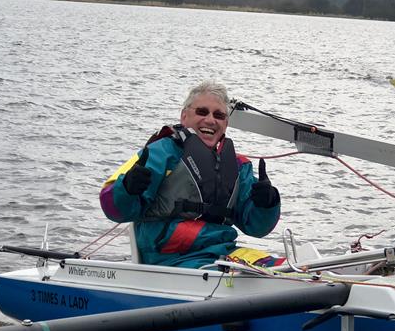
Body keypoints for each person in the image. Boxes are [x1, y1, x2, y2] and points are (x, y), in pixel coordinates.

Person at [99, 81, 281, 268]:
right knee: (238, 277)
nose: (210, 120)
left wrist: (267, 203)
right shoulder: (159, 153)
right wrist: (128, 188)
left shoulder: (239, 166)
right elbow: (111, 207)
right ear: (184, 116)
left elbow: (257, 227)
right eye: (202, 112)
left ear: (226, 124)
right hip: (170, 259)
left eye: (219, 115)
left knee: (284, 268)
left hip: (222, 252)